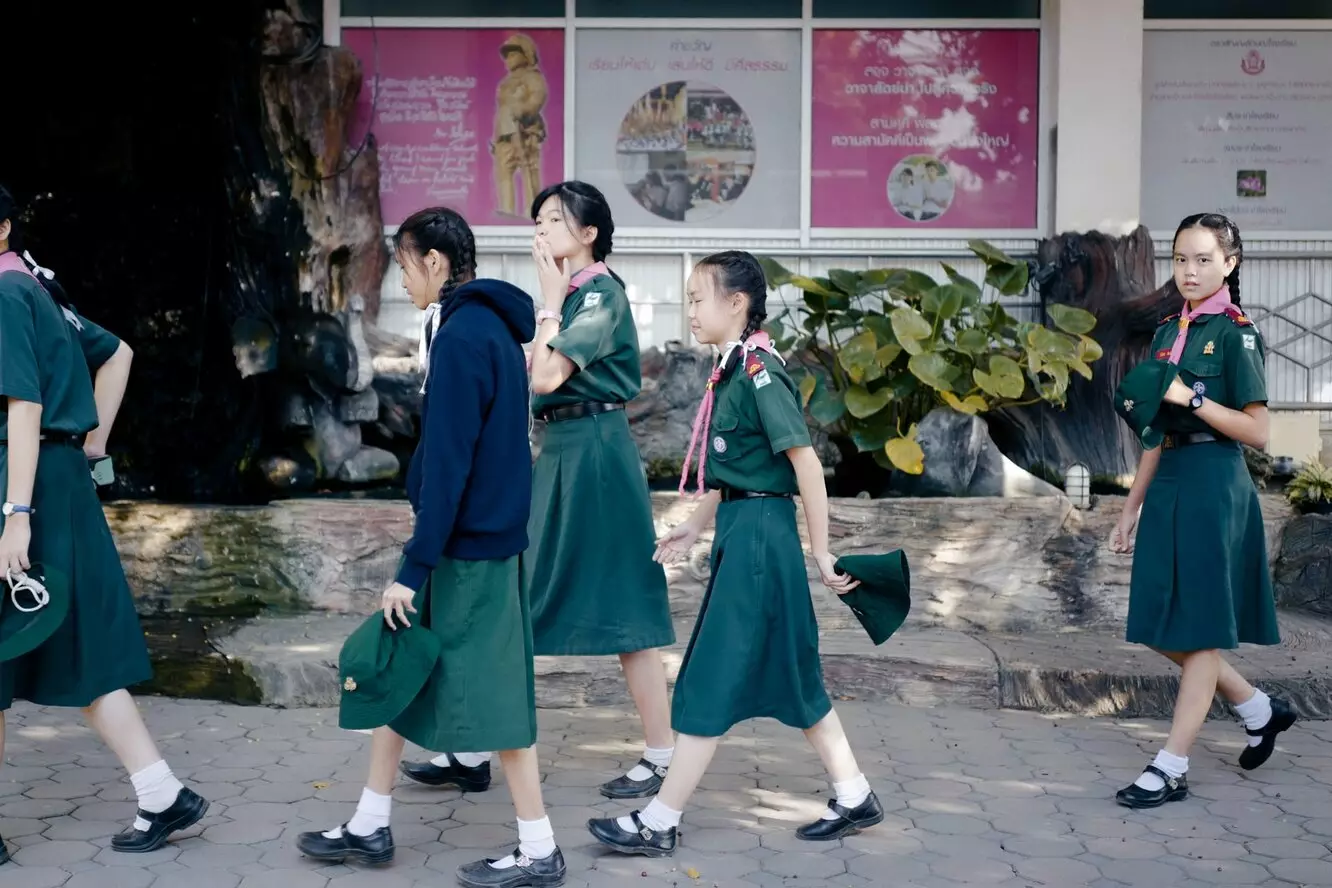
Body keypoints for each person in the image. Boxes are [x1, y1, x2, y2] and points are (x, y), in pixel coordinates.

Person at [295, 207, 566, 887]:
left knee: (499, 701)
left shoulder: (464, 337)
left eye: (407, 264)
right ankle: (369, 823)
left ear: (437, 263)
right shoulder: (482, 329)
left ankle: (539, 850)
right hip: (470, 540)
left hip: (468, 550)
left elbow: (450, 461)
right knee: (399, 666)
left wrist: (413, 566)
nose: (402, 280)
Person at [586, 250, 882, 856]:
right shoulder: (736, 368)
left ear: (736, 303)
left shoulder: (760, 372)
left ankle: (660, 821)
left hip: (759, 541)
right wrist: (695, 526)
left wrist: (823, 553)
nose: (690, 309)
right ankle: (855, 795)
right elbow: (742, 470)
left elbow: (804, 464)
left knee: (709, 679)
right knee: (796, 677)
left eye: (698, 298)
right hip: (746, 530)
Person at [399, 181, 677, 803]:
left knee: (623, 605)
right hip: (562, 451)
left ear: (589, 235)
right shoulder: (574, 296)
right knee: (514, 601)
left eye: (555, 220)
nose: (541, 230)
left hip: (597, 454)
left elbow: (548, 373)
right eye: (539, 219)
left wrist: (548, 302)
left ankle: (663, 755)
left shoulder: (598, 295)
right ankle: (472, 747)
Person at [0, 185, 208, 863]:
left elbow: (22, 409)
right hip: (62, 481)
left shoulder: (5, 293)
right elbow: (117, 354)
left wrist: (16, 513)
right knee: (82, 651)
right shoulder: (38, 287)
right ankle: (161, 793)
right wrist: (92, 444)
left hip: (23, 483)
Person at [1109, 212, 1296, 809]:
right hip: (1169, 483)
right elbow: (1156, 432)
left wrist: (1190, 395)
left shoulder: (1239, 335)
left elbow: (1258, 431)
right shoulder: (1168, 332)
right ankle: (1257, 707)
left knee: (1203, 630)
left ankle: (1171, 766)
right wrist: (1131, 506)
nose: (1189, 271)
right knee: (1160, 619)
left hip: (1215, 483)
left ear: (1229, 264)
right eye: (1181, 260)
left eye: (1203, 260)